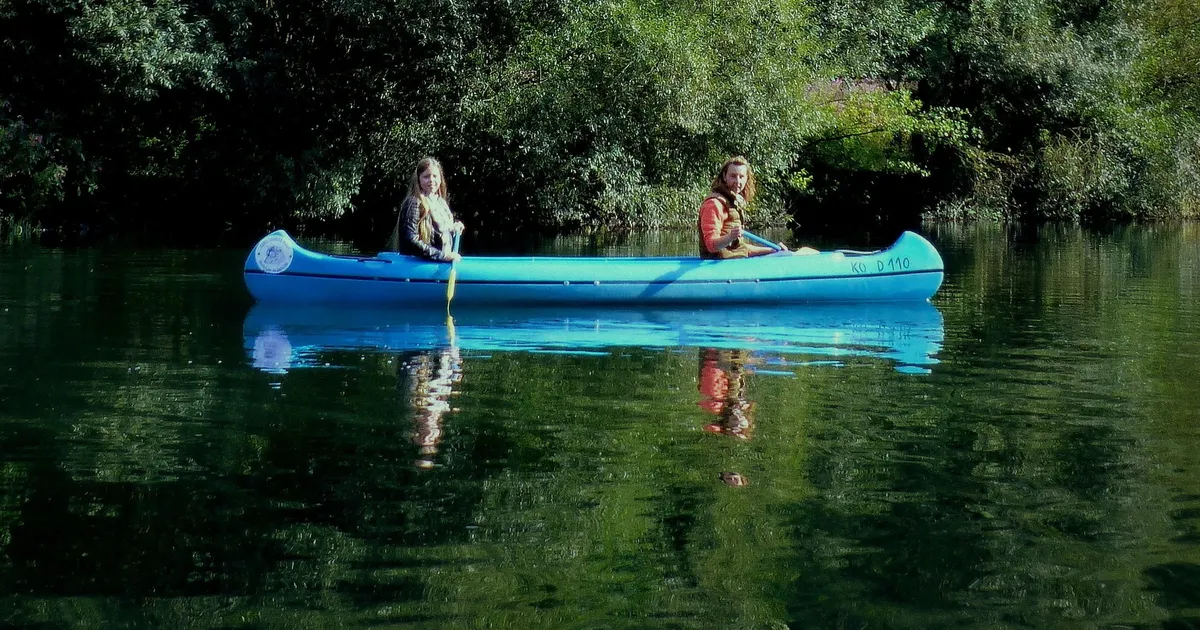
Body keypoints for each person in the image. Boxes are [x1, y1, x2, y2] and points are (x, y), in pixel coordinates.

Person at [697, 156, 817, 259]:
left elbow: (740, 249)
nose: (737, 181)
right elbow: (711, 245)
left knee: (790, 253)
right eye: (733, 176)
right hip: (722, 263)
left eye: (741, 176)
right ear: (724, 176)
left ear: (746, 178)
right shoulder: (714, 204)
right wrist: (730, 237)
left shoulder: (733, 203)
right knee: (789, 256)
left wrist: (772, 250)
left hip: (734, 260)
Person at [390, 157, 465, 261]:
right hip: (417, 265)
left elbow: (438, 236)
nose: (431, 180)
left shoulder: (440, 203)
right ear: (418, 179)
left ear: (440, 178)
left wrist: (453, 229)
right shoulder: (414, 203)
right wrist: (442, 256)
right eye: (426, 177)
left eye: (435, 176)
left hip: (436, 262)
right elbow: (410, 240)